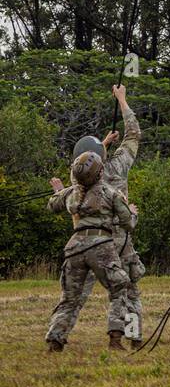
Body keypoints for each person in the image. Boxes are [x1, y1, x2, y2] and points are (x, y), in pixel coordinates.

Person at [48, 81, 145, 347]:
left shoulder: (75, 177)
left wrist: (101, 144)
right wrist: (122, 100)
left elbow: (87, 163)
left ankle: (57, 337)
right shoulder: (119, 165)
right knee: (128, 290)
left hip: (83, 241)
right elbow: (134, 134)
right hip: (118, 240)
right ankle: (133, 337)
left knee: (73, 296)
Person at [45, 151, 133, 352]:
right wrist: (132, 214)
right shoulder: (112, 193)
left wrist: (62, 191)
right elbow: (128, 224)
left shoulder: (71, 193)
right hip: (101, 246)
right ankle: (115, 339)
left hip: (74, 247)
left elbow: (52, 205)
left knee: (69, 298)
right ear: (100, 172)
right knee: (119, 288)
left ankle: (55, 340)